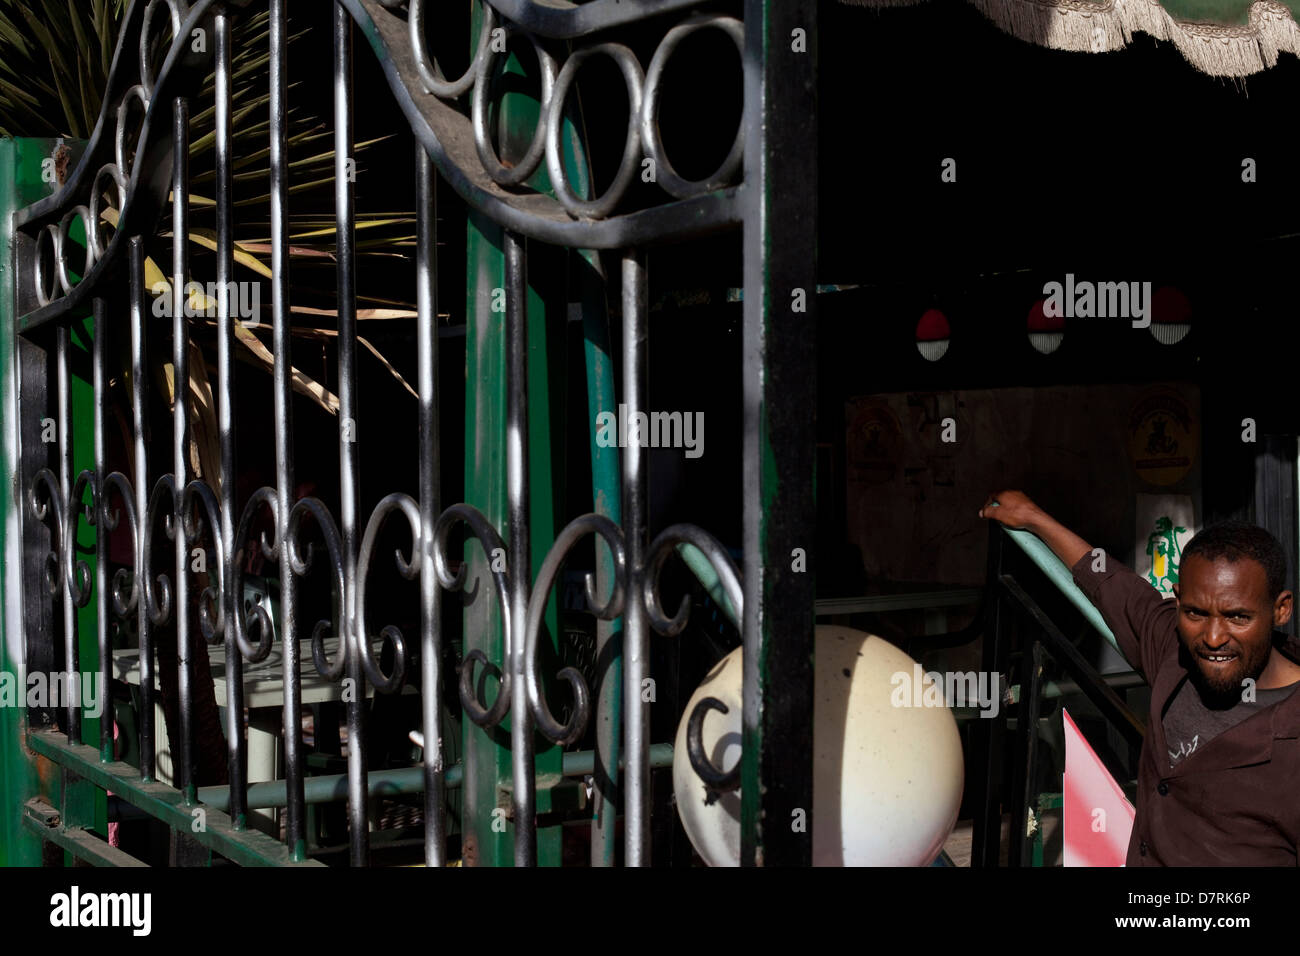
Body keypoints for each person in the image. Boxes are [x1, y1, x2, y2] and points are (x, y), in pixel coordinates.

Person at [980, 490, 1300, 866]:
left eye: (1237, 617)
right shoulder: (1175, 649)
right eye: (1196, 613)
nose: (1213, 638)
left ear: (1280, 610)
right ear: (1178, 601)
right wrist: (1036, 518)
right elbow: (1111, 583)